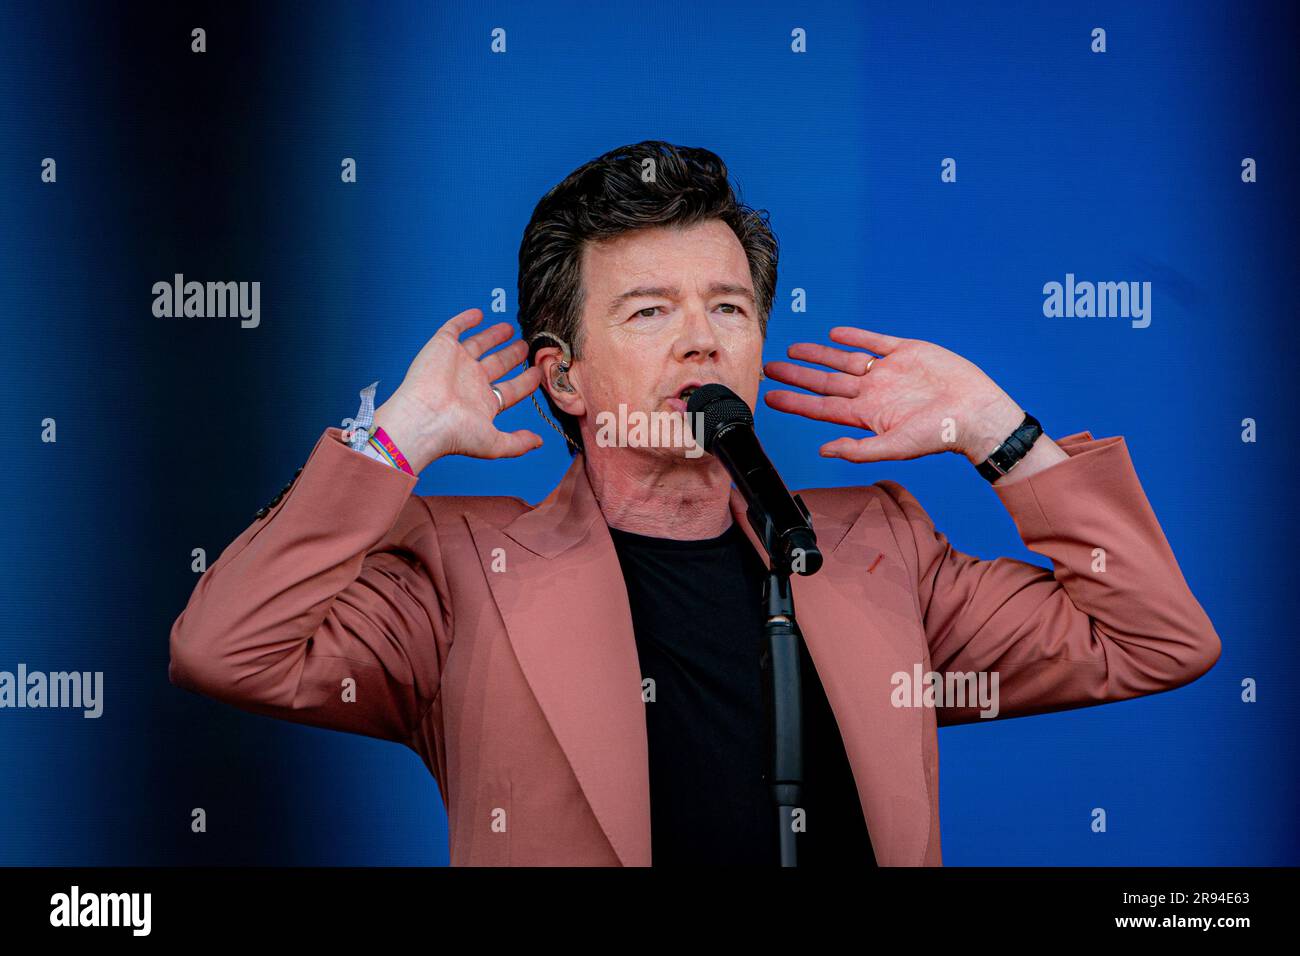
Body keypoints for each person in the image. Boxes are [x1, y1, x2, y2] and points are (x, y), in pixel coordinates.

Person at [168, 141, 1220, 866]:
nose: (701, 338)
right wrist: (388, 444)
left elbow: (1151, 640)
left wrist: (1001, 432)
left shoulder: (874, 542)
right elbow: (228, 648)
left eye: (726, 305)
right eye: (648, 309)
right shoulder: (458, 571)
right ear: (564, 377)